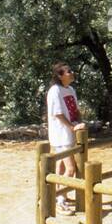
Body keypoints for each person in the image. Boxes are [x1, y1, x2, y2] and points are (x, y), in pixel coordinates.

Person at [46, 63, 85, 213]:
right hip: (61, 135)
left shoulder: (70, 89)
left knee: (60, 168)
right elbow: (58, 113)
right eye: (68, 71)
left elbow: (75, 109)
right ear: (60, 75)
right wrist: (72, 127)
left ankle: (60, 195)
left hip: (68, 134)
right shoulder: (55, 91)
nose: (72, 73)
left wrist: (79, 122)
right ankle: (60, 201)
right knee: (71, 168)